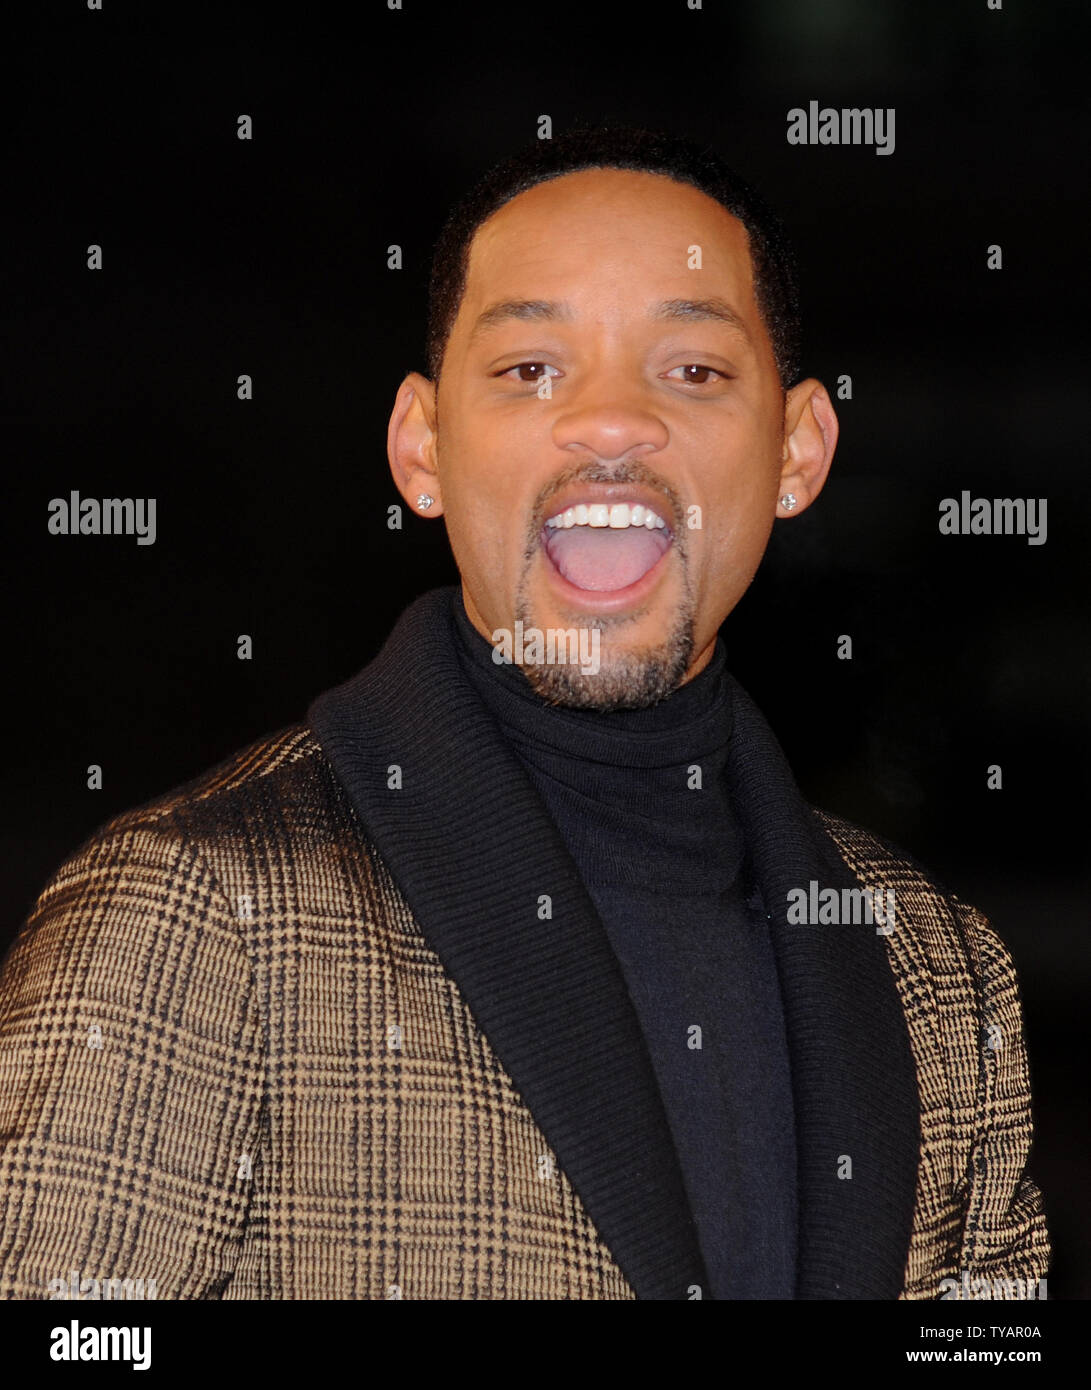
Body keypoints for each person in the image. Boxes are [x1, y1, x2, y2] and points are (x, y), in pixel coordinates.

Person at [0, 126, 1049, 1300]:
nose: (609, 422)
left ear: (796, 451)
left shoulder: (943, 974)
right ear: (422, 446)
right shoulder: (198, 912)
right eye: (529, 368)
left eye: (691, 370)